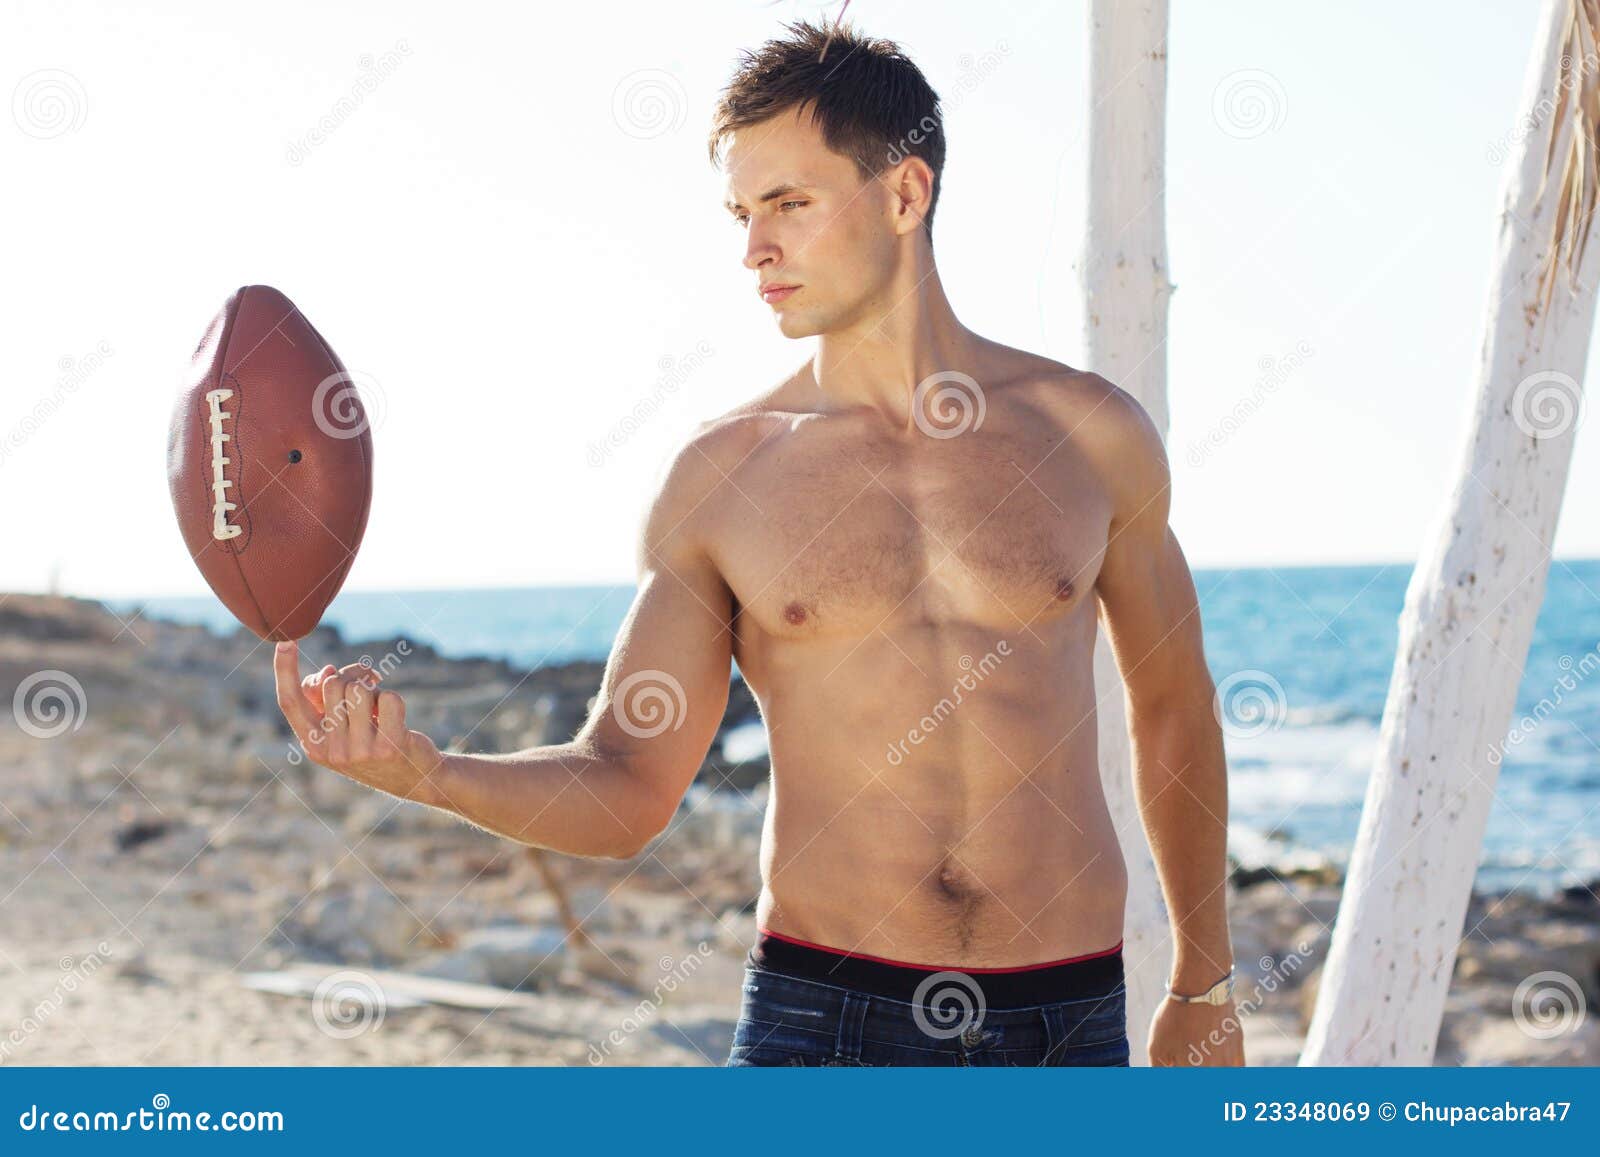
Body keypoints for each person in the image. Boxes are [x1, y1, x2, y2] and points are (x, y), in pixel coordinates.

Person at [272, 17, 1244, 1068]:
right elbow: (629, 777)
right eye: (741, 213)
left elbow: (1175, 707)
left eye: (789, 203)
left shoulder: (1089, 434)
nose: (753, 248)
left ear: (905, 194)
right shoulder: (723, 478)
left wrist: (1205, 980)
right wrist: (431, 772)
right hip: (823, 1022)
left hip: (1064, 1017)